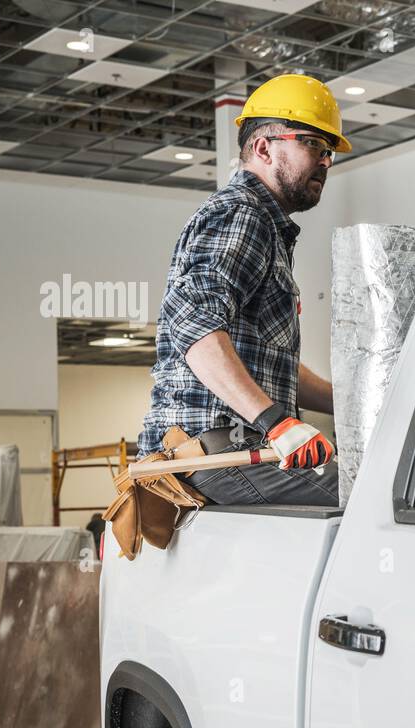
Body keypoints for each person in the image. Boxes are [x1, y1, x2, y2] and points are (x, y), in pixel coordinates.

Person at [137, 73, 353, 506]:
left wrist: (351, 403)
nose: (325, 160)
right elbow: (194, 326)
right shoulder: (243, 213)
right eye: (312, 143)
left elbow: (272, 367)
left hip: (234, 451)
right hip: (215, 453)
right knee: (370, 499)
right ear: (263, 147)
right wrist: (277, 422)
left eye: (329, 150)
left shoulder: (267, 227)